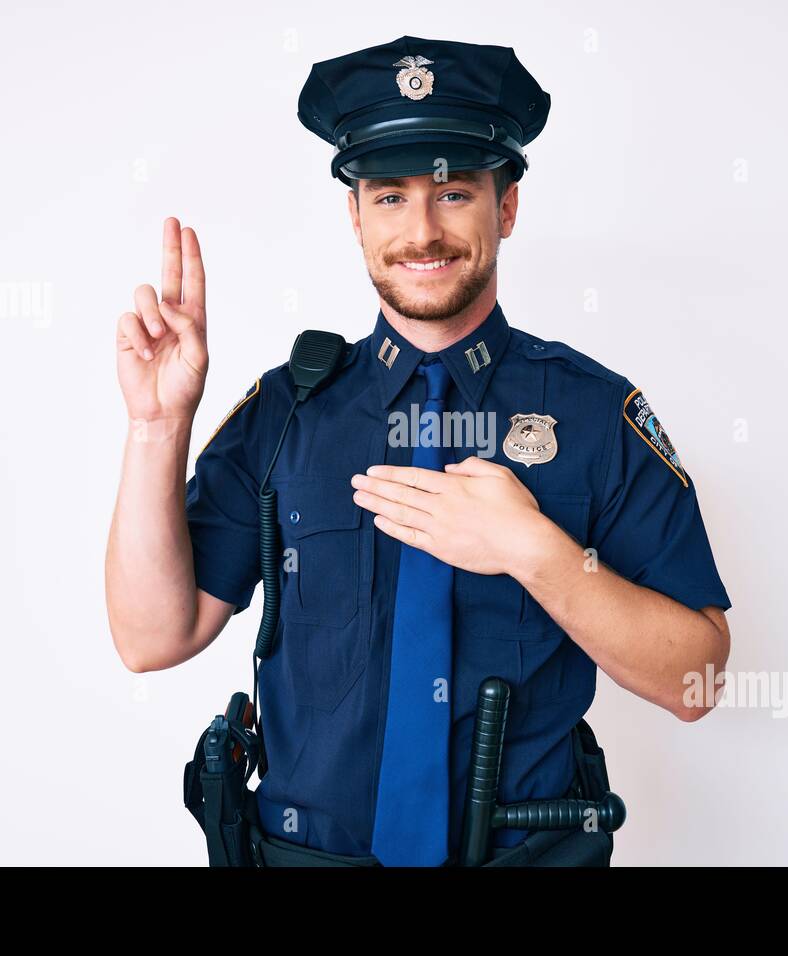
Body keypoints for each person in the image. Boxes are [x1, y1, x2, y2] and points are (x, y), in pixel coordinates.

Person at [105, 35, 732, 867]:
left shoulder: (593, 414)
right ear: (355, 215)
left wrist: (535, 552)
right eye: (391, 197)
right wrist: (156, 429)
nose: (423, 231)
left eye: (455, 193)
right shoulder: (289, 412)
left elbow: (699, 682)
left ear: (506, 207)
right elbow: (151, 638)